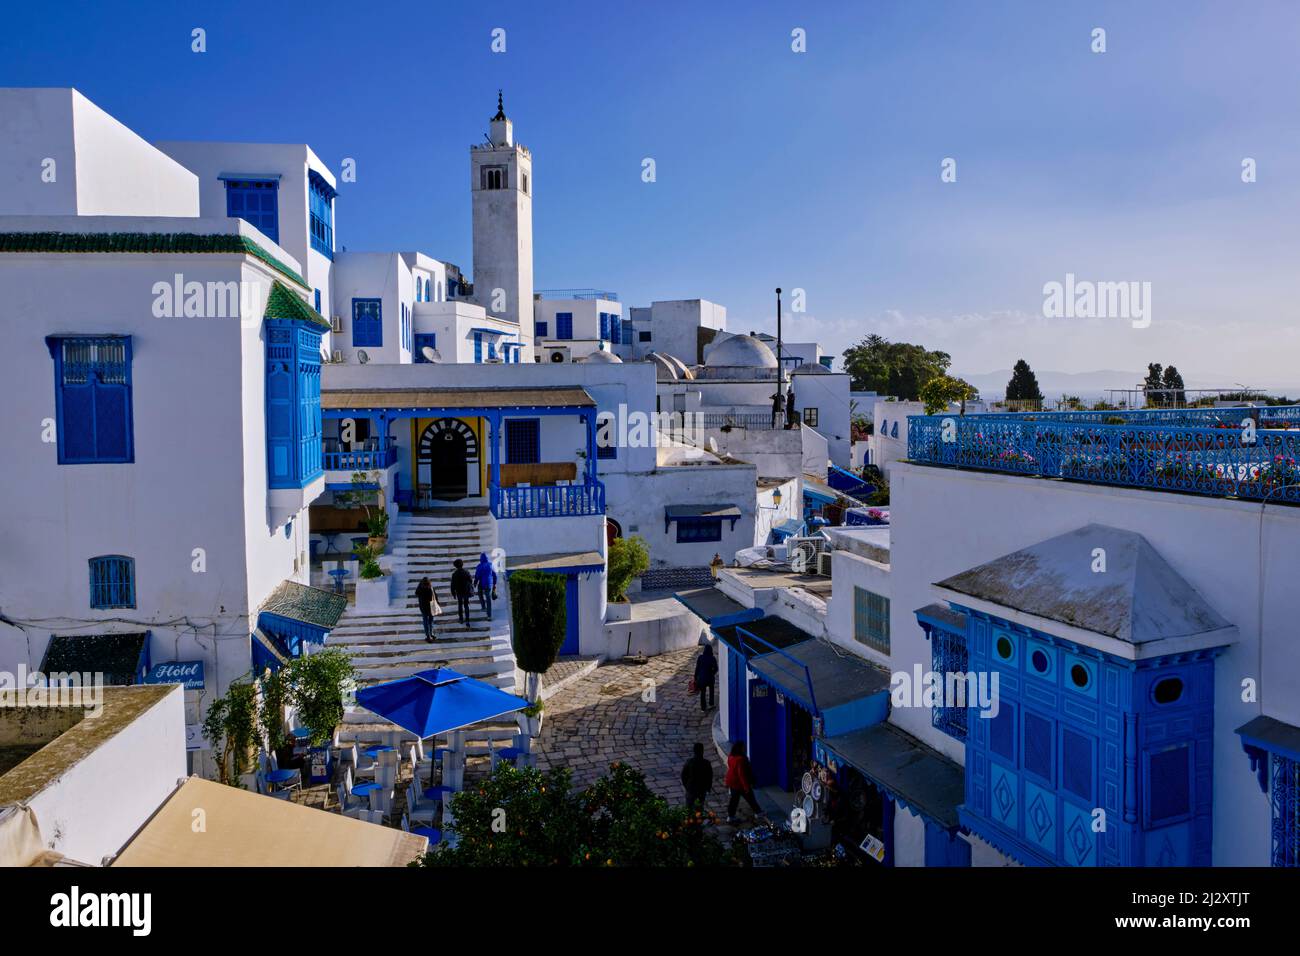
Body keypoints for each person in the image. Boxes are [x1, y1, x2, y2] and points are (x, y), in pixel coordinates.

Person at [725, 740, 763, 824]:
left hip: (731, 781)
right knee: (750, 797)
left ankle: (730, 816)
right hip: (739, 783)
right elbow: (741, 775)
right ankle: (758, 812)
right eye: (743, 747)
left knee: (734, 800)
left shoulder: (731, 756)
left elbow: (731, 766)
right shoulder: (741, 760)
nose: (745, 748)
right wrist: (746, 787)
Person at [681, 742, 713, 811]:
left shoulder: (689, 762)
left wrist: (686, 786)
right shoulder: (706, 763)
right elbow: (710, 777)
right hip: (701, 789)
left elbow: (683, 775)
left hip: (691, 789)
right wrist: (708, 787)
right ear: (702, 751)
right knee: (699, 809)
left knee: (688, 807)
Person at [415, 577, 440, 643]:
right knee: (430, 621)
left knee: (425, 622)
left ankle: (428, 635)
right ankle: (431, 634)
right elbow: (435, 596)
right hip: (431, 607)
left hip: (423, 608)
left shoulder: (420, 589)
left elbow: (416, 593)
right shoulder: (430, 588)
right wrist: (437, 603)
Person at [694, 643, 718, 712]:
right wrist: (712, 673)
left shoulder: (700, 657)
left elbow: (697, 668)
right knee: (711, 691)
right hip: (710, 678)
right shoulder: (712, 658)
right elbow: (716, 668)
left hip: (701, 678)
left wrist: (695, 677)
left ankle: (703, 708)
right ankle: (711, 704)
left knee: (703, 693)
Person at [473, 552, 497, 620]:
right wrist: (494, 584)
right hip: (489, 584)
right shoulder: (491, 565)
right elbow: (494, 575)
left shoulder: (479, 566)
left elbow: (477, 576)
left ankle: (483, 606)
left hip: (481, 584)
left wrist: (475, 583)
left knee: (480, 594)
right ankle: (489, 616)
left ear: (480, 559)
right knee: (488, 599)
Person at [449, 559, 473, 626]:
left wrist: (453, 593)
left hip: (459, 592)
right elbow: (471, 580)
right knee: (466, 605)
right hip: (466, 591)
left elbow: (452, 585)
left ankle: (461, 619)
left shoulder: (454, 574)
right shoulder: (466, 572)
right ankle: (467, 620)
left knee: (460, 605)